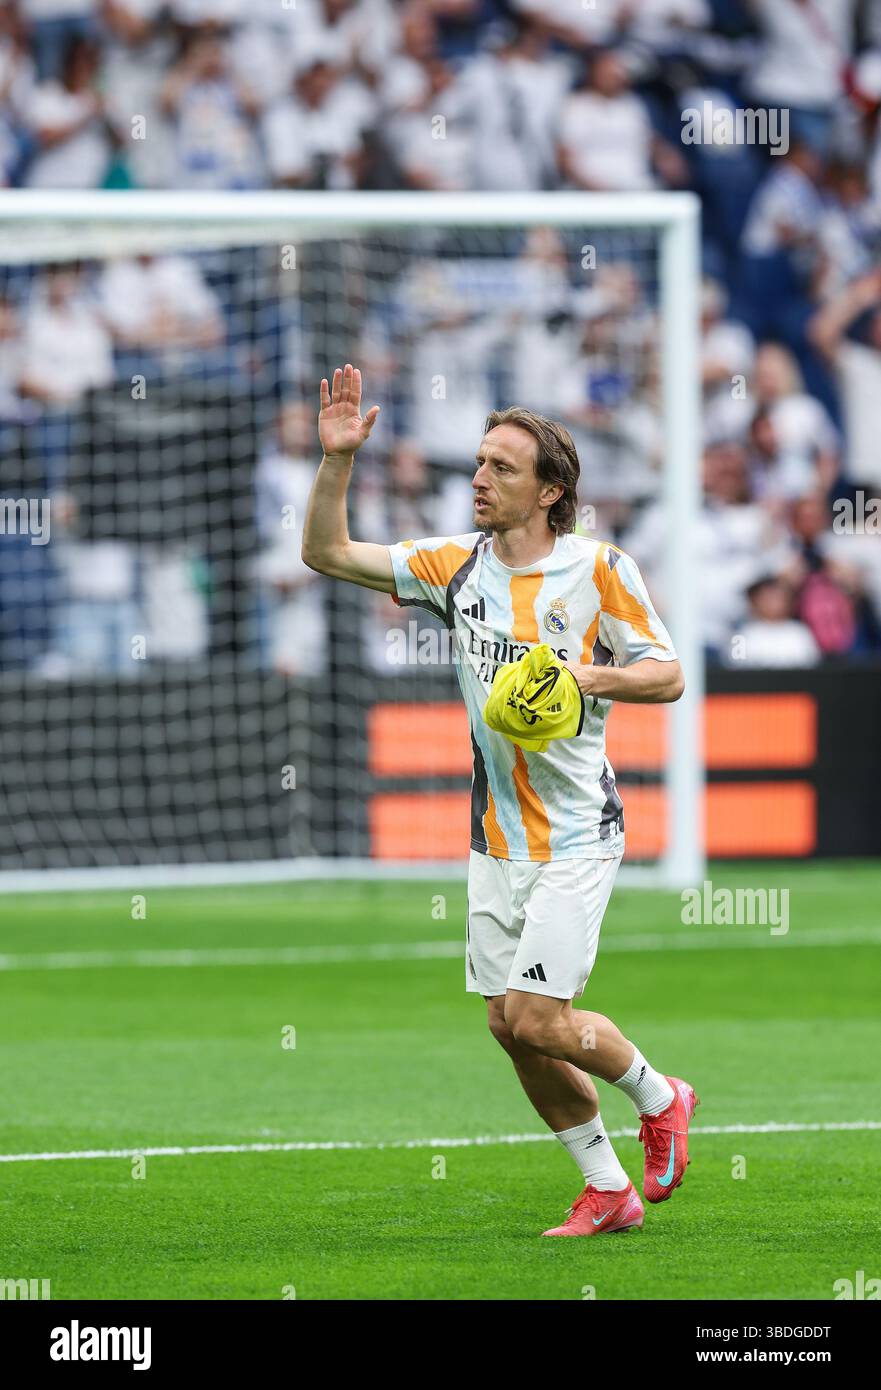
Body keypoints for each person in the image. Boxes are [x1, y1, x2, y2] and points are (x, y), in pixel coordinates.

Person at [302, 363, 698, 1238]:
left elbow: (666, 675)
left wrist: (582, 675)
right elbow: (326, 554)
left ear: (551, 491)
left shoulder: (599, 570)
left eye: (501, 468)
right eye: (477, 463)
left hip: (575, 833)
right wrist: (336, 462)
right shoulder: (453, 567)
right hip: (493, 836)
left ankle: (661, 1096)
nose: (478, 479)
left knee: (536, 1015)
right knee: (509, 1029)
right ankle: (607, 1190)